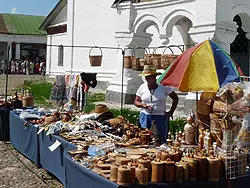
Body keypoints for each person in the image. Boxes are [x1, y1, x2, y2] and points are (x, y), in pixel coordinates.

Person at [134, 65, 179, 144]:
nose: (147, 79)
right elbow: (136, 101)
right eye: (146, 77)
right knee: (145, 139)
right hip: (146, 116)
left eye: (149, 77)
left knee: (161, 140)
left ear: (154, 77)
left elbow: (175, 98)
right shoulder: (142, 87)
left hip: (161, 117)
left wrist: (171, 112)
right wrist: (143, 105)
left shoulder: (164, 87)